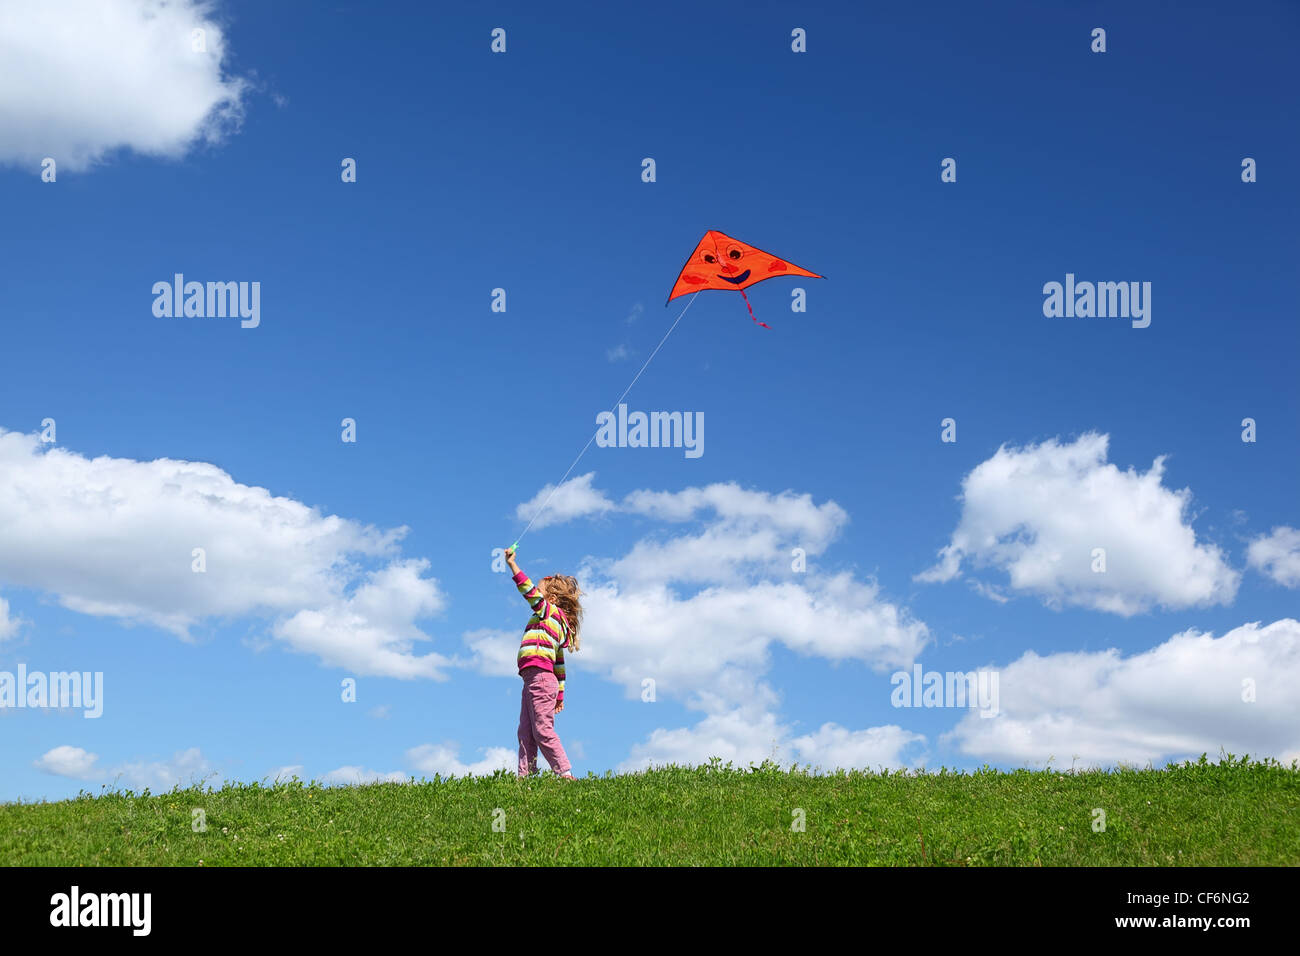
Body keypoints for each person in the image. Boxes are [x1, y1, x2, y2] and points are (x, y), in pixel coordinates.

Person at [505, 546, 583, 779]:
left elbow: (527, 590)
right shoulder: (556, 623)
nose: (536, 596)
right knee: (526, 731)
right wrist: (559, 695)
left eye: (541, 593)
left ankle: (565, 773)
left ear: (551, 598)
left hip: (540, 678)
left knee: (542, 730)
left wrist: (512, 565)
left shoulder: (548, 612)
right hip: (535, 679)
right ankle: (526, 777)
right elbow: (559, 666)